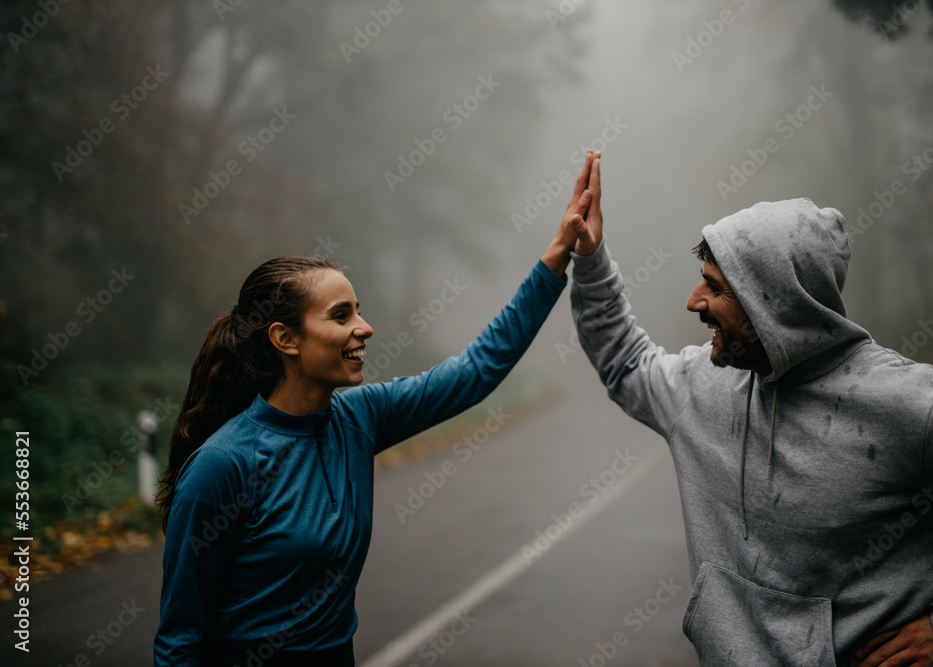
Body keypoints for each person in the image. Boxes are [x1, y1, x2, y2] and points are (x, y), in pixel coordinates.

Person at [152, 153, 599, 666]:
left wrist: (559, 252)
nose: (364, 328)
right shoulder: (221, 465)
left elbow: (476, 371)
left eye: (358, 311)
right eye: (342, 316)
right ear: (285, 339)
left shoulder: (359, 418)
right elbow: (179, 639)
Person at [566, 152, 933, 666]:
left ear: (775, 306)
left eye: (715, 286)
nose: (693, 300)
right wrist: (591, 261)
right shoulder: (702, 387)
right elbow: (626, 362)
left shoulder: (918, 409)